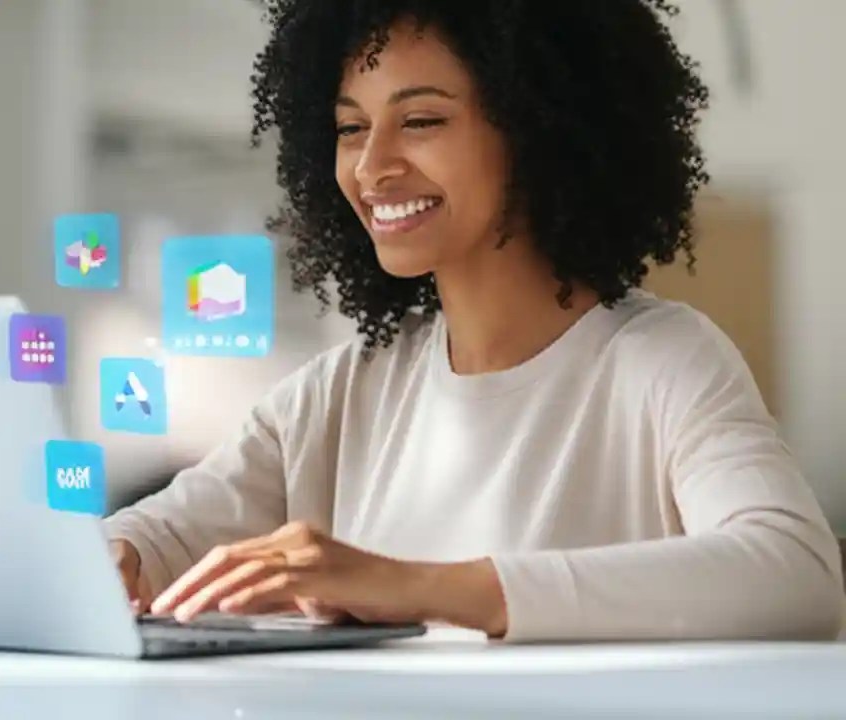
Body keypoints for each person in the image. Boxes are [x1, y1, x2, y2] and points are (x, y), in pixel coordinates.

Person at [104, 0, 844, 641]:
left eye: (420, 120)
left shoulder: (662, 361)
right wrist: (112, 559)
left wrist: (412, 587)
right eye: (351, 128)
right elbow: (156, 533)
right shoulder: (340, 394)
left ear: (538, 127)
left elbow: (796, 572)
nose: (372, 167)